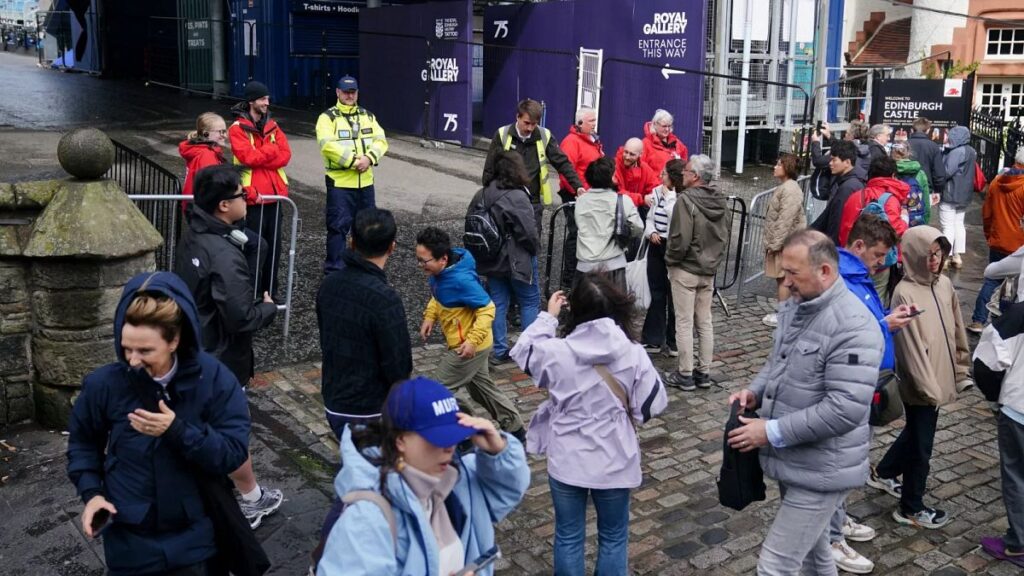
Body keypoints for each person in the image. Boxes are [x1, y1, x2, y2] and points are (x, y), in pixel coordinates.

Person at [67, 271, 251, 576]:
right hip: (130, 535)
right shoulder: (105, 384)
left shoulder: (215, 380)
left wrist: (177, 430)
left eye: (145, 350)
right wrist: (93, 494)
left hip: (195, 532)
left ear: (175, 340)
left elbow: (233, 453)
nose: (134, 360)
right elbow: (83, 442)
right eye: (127, 348)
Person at [726, 229, 883, 575]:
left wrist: (770, 431)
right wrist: (755, 391)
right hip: (798, 458)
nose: (785, 281)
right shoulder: (798, 306)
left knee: (775, 565)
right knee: (815, 555)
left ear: (824, 271)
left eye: (792, 273)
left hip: (823, 469)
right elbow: (777, 362)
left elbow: (845, 409)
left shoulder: (854, 327)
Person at [510, 273, 668, 576]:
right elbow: (653, 403)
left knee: (568, 536)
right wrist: (629, 415)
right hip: (615, 457)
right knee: (613, 537)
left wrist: (548, 317)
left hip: (567, 456)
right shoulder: (633, 353)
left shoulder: (557, 352)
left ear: (576, 310)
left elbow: (523, 351)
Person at [316, 377, 530, 576]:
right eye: (437, 438)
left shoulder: (457, 479)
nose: (449, 448)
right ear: (400, 440)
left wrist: (498, 451)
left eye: (452, 436)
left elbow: (506, 493)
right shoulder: (366, 521)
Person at [174, 164, 284, 529]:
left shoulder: (194, 233)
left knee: (203, 427)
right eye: (240, 194)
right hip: (221, 358)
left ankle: (207, 493)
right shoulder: (221, 253)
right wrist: (268, 307)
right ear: (223, 205)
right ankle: (250, 501)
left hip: (197, 347)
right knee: (229, 432)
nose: (247, 198)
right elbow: (242, 317)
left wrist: (254, 246)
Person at [867, 226, 971, 529]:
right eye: (928, 254)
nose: (935, 260)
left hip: (938, 378)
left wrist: (961, 370)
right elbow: (911, 350)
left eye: (938, 253)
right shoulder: (905, 292)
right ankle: (912, 506)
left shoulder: (944, 286)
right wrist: (930, 390)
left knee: (916, 434)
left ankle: (885, 471)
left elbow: (957, 329)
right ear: (914, 256)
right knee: (922, 445)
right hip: (921, 385)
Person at [830, 213, 916, 574]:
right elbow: (846, 336)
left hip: (865, 384)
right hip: (850, 388)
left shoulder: (859, 277)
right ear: (859, 246)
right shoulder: (842, 282)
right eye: (879, 255)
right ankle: (830, 537)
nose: (883, 263)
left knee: (850, 462)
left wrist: (885, 320)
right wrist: (885, 324)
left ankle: (838, 520)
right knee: (838, 464)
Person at [416, 227, 527, 442]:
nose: (420, 265)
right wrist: (430, 316)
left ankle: (466, 431)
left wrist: (472, 341)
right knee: (481, 390)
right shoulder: (440, 273)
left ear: (443, 259)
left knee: (439, 391)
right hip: (470, 344)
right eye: (418, 259)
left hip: (469, 348)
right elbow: (437, 296)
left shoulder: (460, 281)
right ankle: (515, 429)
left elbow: (488, 308)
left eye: (424, 261)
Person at [317, 208, 412, 439]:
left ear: (351, 242)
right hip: (370, 410)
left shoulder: (329, 284)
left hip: (335, 399)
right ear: (392, 247)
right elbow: (398, 364)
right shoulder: (385, 299)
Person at [974, 254, 1024, 568]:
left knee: (1016, 474)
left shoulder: (1018, 314)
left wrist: (996, 396)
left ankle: (1018, 543)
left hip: (1019, 407)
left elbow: (987, 361)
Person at [664, 154, 728, 391]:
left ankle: (685, 373)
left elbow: (680, 239)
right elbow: (724, 234)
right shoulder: (720, 199)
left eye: (687, 171)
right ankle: (704, 372)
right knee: (704, 321)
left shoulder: (686, 200)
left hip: (687, 268)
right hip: (708, 268)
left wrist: (671, 260)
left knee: (684, 321)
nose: (683, 174)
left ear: (696, 176)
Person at [317, 75, 389, 274]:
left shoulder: (368, 116)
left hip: (365, 182)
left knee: (368, 229)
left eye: (353, 92)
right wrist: (354, 161)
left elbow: (381, 140)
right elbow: (327, 145)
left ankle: (365, 269)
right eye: (346, 92)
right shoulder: (327, 118)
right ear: (338, 92)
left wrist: (369, 158)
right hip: (340, 183)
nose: (349, 95)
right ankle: (335, 271)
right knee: (338, 228)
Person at [482, 98, 585, 234]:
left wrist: (578, 186)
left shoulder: (544, 136)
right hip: (505, 198)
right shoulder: (502, 135)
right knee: (504, 239)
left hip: (532, 201)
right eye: (527, 123)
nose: (530, 128)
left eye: (534, 124)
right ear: (517, 117)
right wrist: (488, 196)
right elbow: (490, 167)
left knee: (532, 241)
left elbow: (562, 163)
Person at [475, 151, 541, 365]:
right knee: (529, 300)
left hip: (491, 257)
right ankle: (528, 351)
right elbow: (528, 233)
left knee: (498, 302)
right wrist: (535, 250)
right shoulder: (517, 196)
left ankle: (498, 349)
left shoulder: (482, 193)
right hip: (516, 258)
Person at [229, 80, 291, 298]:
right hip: (253, 199)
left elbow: (285, 156)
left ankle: (270, 292)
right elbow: (247, 157)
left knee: (274, 249)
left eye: (267, 98)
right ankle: (252, 293)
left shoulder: (272, 125)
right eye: (263, 99)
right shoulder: (237, 129)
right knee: (253, 249)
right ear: (251, 101)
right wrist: (271, 150)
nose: (267, 102)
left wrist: (264, 155)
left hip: (274, 197)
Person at [837, 156, 910, 305]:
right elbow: (896, 232)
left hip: (851, 260)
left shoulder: (855, 196)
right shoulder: (892, 200)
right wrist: (904, 219)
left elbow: (844, 229)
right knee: (875, 299)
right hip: (878, 266)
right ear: (893, 176)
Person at [970, 149, 1024, 333]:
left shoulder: (997, 181)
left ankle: (978, 320)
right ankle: (1004, 322)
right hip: (1019, 244)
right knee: (1017, 285)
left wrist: (989, 234)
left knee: (992, 279)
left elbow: (987, 212)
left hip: (999, 239)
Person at [573, 157, 643, 291]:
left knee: (584, 309)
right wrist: (625, 234)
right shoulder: (623, 201)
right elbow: (638, 227)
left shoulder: (581, 201)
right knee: (615, 309)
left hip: (584, 265)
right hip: (613, 265)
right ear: (611, 178)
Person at [555, 108, 603, 290]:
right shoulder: (571, 142)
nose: (594, 124)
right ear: (580, 123)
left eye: (594, 120)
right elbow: (566, 173)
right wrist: (579, 192)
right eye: (591, 121)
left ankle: (581, 279)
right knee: (577, 236)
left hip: (590, 196)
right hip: (577, 196)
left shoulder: (591, 141)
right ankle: (569, 280)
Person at [640, 159, 682, 355]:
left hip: (673, 247)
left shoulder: (680, 196)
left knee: (674, 294)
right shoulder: (657, 191)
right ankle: (653, 338)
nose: (660, 176)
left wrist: (670, 198)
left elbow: (677, 220)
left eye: (664, 174)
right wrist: (651, 232)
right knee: (656, 292)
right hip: (656, 245)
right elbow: (650, 217)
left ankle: (673, 340)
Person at [761, 153, 807, 327]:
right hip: (784, 242)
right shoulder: (786, 188)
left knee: (783, 279)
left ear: (787, 167)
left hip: (785, 244)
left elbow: (785, 220)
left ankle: (783, 314)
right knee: (782, 279)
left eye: (779, 164)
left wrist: (775, 244)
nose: (775, 167)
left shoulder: (790, 189)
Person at [810, 139, 866, 244]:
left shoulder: (847, 188)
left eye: (834, 160)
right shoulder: (855, 182)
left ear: (847, 162)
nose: (830, 163)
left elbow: (836, 222)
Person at [939, 125, 978, 269]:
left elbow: (947, 171)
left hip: (951, 192)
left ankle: (946, 256)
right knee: (959, 224)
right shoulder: (971, 151)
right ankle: (957, 255)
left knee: (947, 226)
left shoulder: (957, 151)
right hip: (964, 193)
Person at [179, 112, 228, 202]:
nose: (225, 135)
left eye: (225, 131)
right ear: (206, 134)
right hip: (203, 210)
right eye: (221, 132)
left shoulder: (202, 151)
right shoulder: (206, 155)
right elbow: (211, 188)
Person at [892, 141, 935, 228]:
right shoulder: (920, 173)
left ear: (892, 153)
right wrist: (925, 220)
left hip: (894, 219)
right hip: (915, 220)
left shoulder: (889, 170)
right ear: (908, 153)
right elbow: (925, 199)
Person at [614, 137, 660, 208]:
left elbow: (656, 188)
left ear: (640, 154)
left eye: (632, 154)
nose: (627, 157)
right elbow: (616, 193)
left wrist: (650, 197)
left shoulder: (645, 168)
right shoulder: (614, 167)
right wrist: (642, 199)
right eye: (626, 152)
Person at [908, 117, 947, 197]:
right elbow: (938, 172)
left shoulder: (904, 145)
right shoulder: (933, 146)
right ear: (928, 130)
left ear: (912, 130)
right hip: (926, 188)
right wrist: (937, 190)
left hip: (905, 187)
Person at [641, 108, 689, 175]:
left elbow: (685, 167)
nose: (667, 129)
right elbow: (641, 170)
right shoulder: (645, 144)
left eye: (669, 126)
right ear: (655, 124)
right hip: (655, 184)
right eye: (664, 126)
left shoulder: (678, 144)